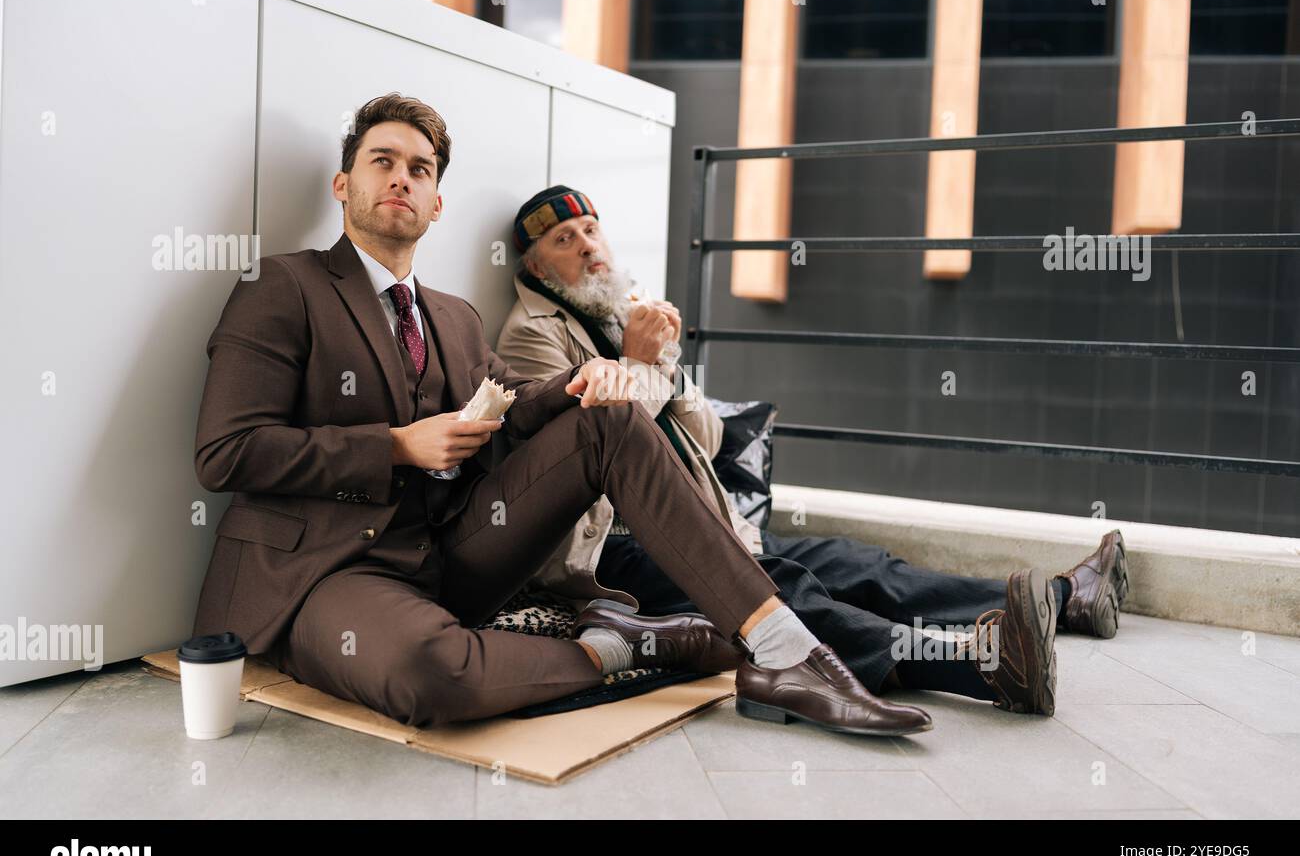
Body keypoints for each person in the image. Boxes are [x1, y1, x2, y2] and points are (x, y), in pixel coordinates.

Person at [191, 93, 945, 738]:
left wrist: (587, 380)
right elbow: (225, 453)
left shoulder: (451, 317)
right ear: (343, 184)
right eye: (382, 161)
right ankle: (633, 648)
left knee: (612, 419)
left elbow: (514, 410)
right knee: (429, 673)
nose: (401, 178)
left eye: (419, 170)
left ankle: (784, 653)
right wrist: (394, 445)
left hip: (450, 557)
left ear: (437, 203)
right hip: (326, 570)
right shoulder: (282, 286)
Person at [495, 184, 1131, 717]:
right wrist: (636, 362)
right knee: (788, 589)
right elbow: (603, 445)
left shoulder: (617, 318)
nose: (587, 247)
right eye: (564, 240)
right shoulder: (529, 338)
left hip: (700, 519)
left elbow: (711, 441)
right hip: (617, 548)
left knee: (856, 563)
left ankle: (1060, 599)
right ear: (535, 268)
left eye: (591, 231)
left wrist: (665, 365)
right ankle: (984, 668)